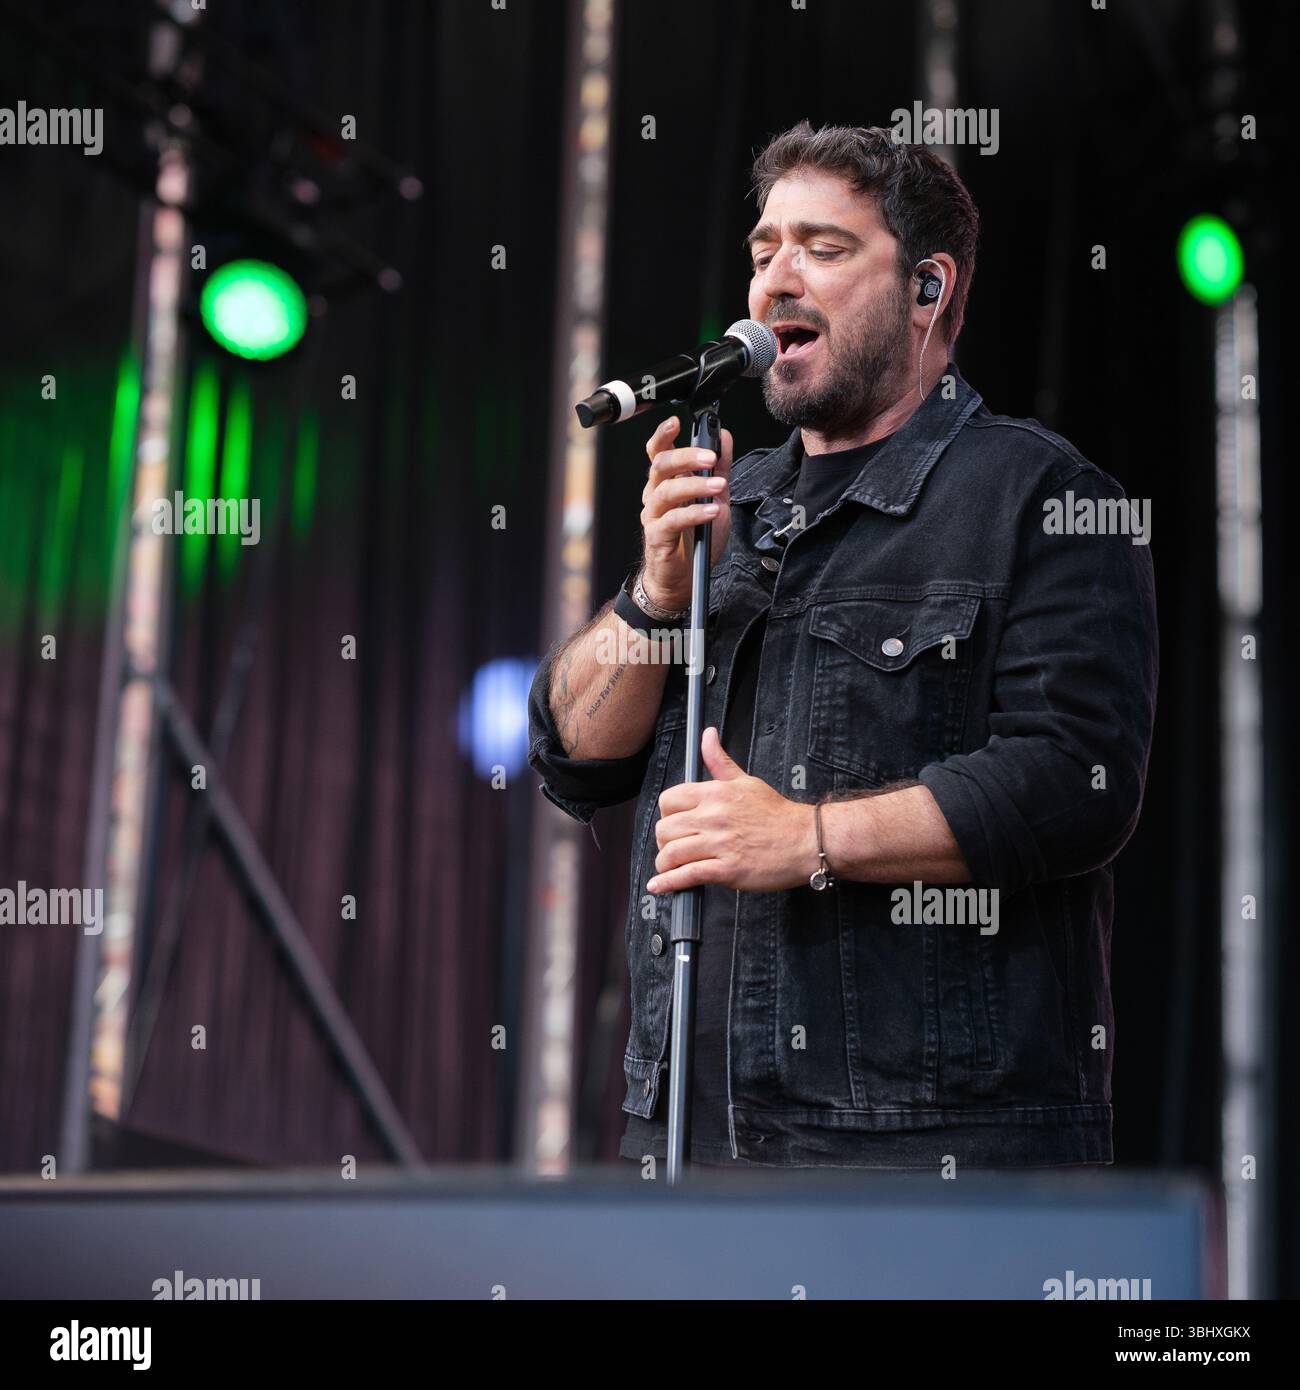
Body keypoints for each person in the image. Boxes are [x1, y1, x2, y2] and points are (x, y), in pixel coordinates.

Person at [527, 121, 1158, 1170]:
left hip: (922, 1151)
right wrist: (656, 593)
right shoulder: (730, 500)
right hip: (688, 1138)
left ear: (926, 289)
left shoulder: (1039, 495)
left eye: (822, 249)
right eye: (763, 249)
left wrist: (806, 838)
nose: (776, 279)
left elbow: (1071, 784)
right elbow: (572, 759)